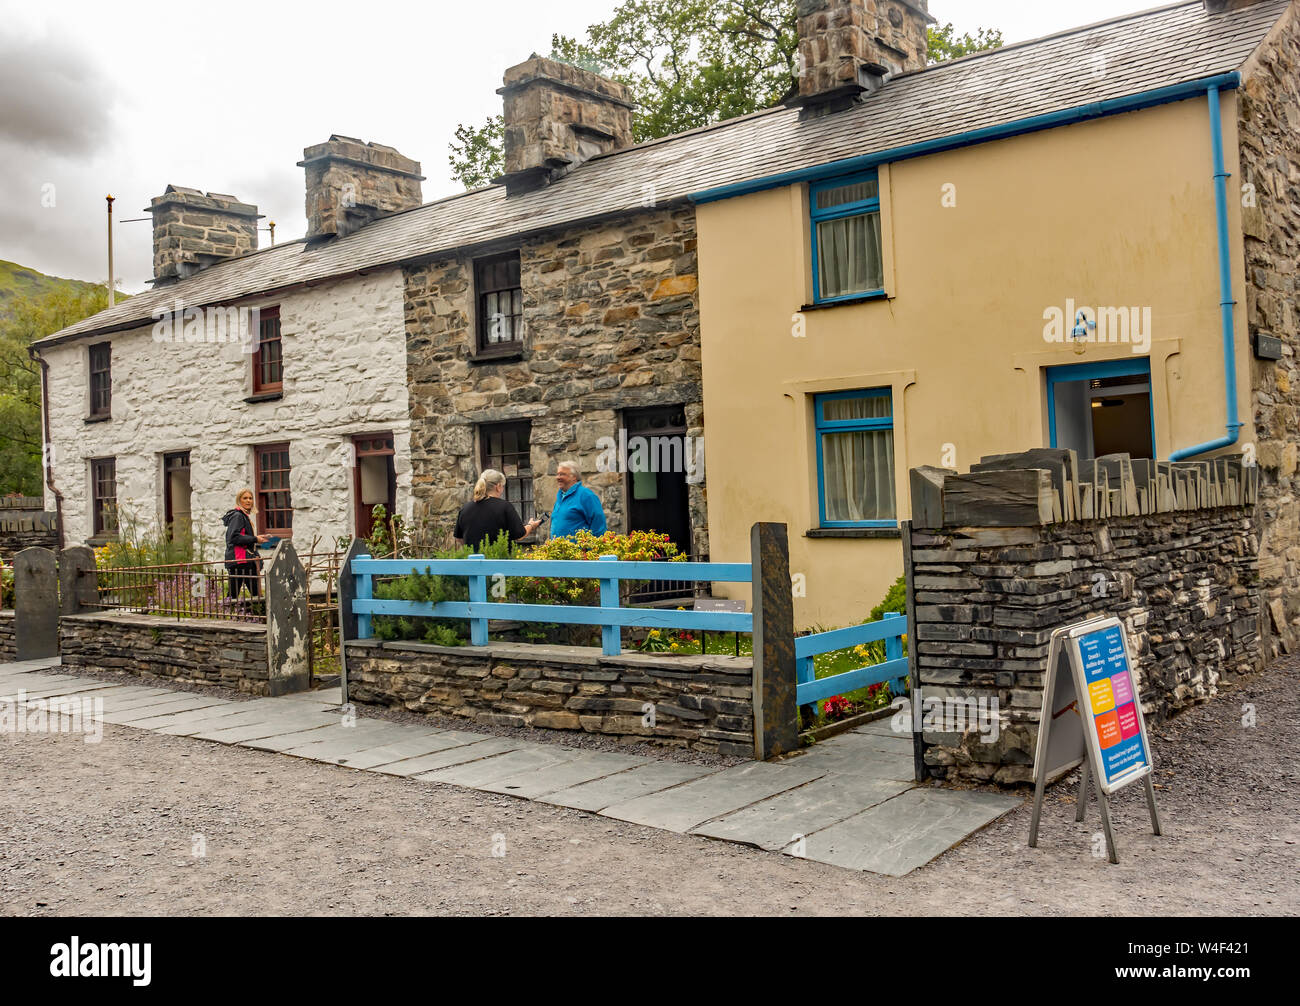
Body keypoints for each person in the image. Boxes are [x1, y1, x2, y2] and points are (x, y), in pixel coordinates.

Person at [454, 469, 542, 551]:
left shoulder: (465, 508)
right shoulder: (504, 507)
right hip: (500, 562)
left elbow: (459, 538)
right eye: (503, 486)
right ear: (498, 487)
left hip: (474, 563)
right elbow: (519, 535)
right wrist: (531, 525)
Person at [223, 488, 268, 598]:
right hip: (240, 560)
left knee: (236, 594)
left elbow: (241, 537)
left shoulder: (242, 516)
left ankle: (234, 612)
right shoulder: (238, 516)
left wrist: (256, 539)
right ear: (239, 500)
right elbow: (233, 537)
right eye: (245, 498)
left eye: (250, 498)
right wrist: (255, 539)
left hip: (243, 560)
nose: (248, 501)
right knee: (254, 594)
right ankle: (258, 613)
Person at [550, 459, 606, 538]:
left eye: (562, 474)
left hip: (578, 550)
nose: (558, 477)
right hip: (558, 550)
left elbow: (599, 527)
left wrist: (592, 549)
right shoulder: (560, 496)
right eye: (557, 474)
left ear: (574, 477)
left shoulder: (587, 496)